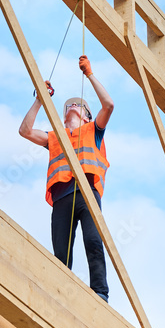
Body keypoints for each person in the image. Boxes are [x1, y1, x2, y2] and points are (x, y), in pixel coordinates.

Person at [18, 54, 114, 302]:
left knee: (93, 241)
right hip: (62, 197)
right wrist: (40, 101)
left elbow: (109, 105)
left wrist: (89, 74)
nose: (72, 106)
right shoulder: (55, 137)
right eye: (68, 106)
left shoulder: (93, 131)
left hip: (86, 193)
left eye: (78, 106)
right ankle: (59, 296)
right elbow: (25, 131)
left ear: (87, 116)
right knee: (61, 251)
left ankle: (100, 293)